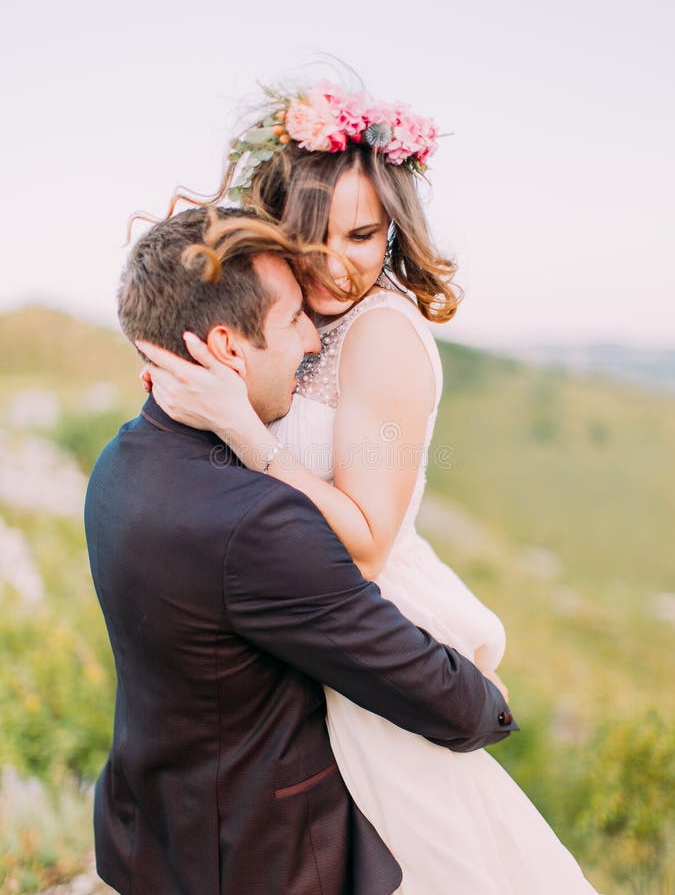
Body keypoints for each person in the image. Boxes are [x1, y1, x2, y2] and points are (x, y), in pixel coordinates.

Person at [138, 82, 599, 893]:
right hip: (298, 632)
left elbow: (365, 540)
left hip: (366, 626)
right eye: (310, 234)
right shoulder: (288, 317)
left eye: (363, 233)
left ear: (393, 229)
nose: (337, 261)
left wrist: (245, 434)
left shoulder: (381, 334)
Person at [85, 205, 516, 895]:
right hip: (260, 860)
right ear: (226, 349)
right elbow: (427, 689)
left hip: (149, 829)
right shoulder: (254, 520)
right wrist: (487, 700)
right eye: (292, 321)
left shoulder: (122, 457)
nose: (314, 342)